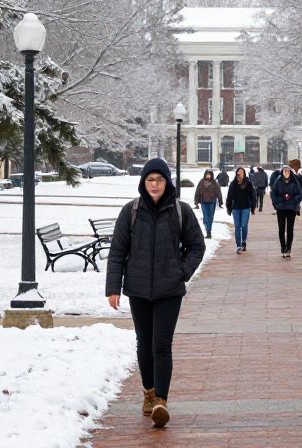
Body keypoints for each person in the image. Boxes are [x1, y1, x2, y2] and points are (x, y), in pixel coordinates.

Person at [105, 158, 206, 428]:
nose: (154, 185)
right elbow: (117, 251)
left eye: (159, 180)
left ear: (167, 182)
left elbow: (196, 246)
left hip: (169, 290)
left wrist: (180, 272)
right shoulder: (131, 211)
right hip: (137, 289)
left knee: (161, 345)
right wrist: (113, 286)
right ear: (143, 183)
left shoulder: (180, 211)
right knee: (144, 344)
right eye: (150, 180)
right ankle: (148, 393)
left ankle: (161, 400)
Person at [271, 164, 302, 257]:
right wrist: (280, 200)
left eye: (288, 171)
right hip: (281, 208)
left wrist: (292, 199)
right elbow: (273, 194)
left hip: (291, 208)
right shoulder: (278, 182)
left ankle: (288, 248)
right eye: (284, 171)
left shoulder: (294, 182)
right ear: (282, 172)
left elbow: (299, 194)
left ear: (290, 172)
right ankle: (283, 247)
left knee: (290, 229)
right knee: (281, 229)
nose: (286, 172)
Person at [226, 166, 257, 254]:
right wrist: (229, 207)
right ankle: (238, 245)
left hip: (246, 208)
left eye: (240, 173)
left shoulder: (248, 184)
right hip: (236, 208)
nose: (239, 174)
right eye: (237, 173)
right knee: (237, 227)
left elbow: (253, 196)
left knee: (243, 226)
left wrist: (253, 207)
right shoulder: (233, 184)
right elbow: (229, 197)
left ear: (244, 174)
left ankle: (243, 241)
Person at [193, 169, 223, 239]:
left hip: (212, 202)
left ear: (211, 175)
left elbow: (219, 192)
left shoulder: (215, 183)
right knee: (206, 217)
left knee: (210, 217)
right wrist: (196, 202)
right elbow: (197, 191)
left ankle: (208, 230)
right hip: (204, 202)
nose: (208, 175)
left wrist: (220, 202)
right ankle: (208, 232)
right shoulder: (201, 182)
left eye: (209, 174)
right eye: (207, 174)